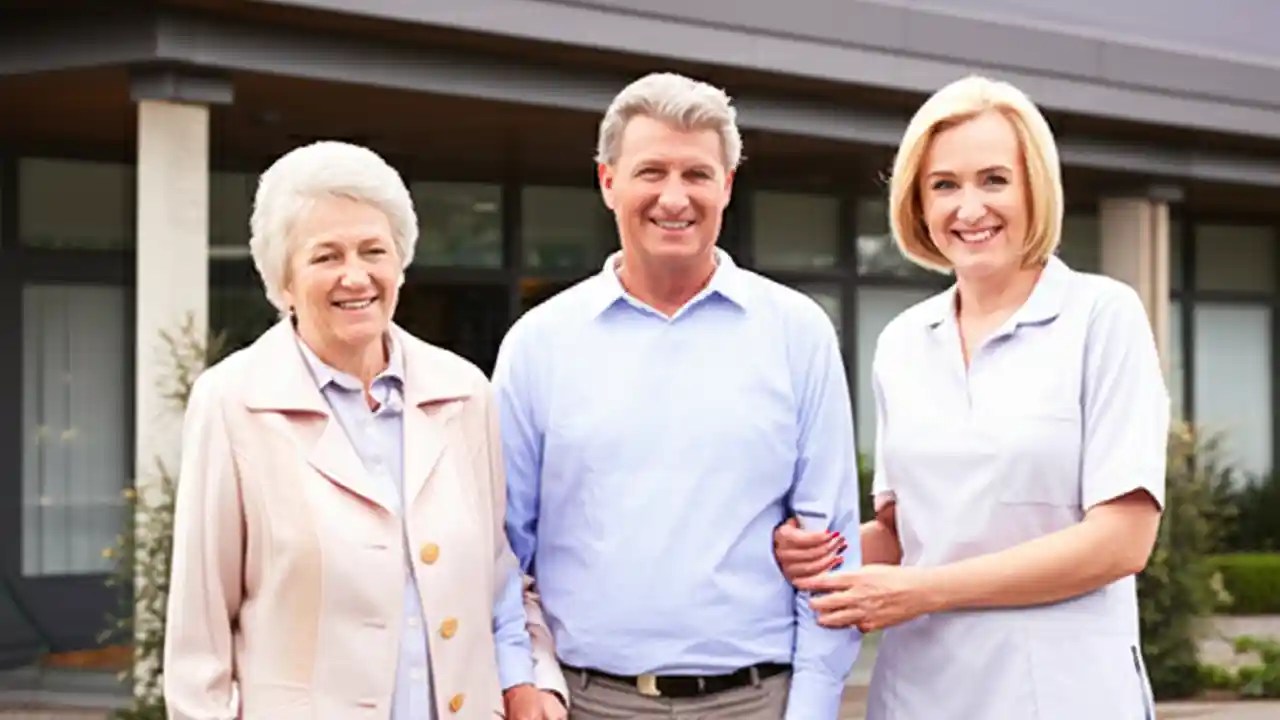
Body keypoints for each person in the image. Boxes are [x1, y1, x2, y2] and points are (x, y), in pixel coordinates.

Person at [773, 75, 1169, 720]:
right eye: (945, 185)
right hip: (920, 695)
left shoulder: (1102, 316)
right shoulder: (902, 342)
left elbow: (1121, 542)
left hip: (1065, 697)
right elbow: (908, 535)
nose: (969, 208)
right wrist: (815, 548)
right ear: (919, 204)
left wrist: (923, 592)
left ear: (1034, 189)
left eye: (994, 180)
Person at [491, 72, 862, 720]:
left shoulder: (797, 333)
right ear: (609, 182)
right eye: (651, 172)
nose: (674, 197)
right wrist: (520, 679)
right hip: (585, 703)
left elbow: (830, 553)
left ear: (727, 184)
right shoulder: (538, 344)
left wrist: (812, 710)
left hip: (758, 703)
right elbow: (499, 546)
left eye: (696, 174)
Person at [163, 141, 567, 719]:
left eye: (373, 251)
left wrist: (531, 681)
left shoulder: (464, 391)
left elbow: (498, 577)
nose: (356, 276)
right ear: (283, 281)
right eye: (326, 256)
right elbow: (198, 639)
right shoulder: (231, 403)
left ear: (400, 262)